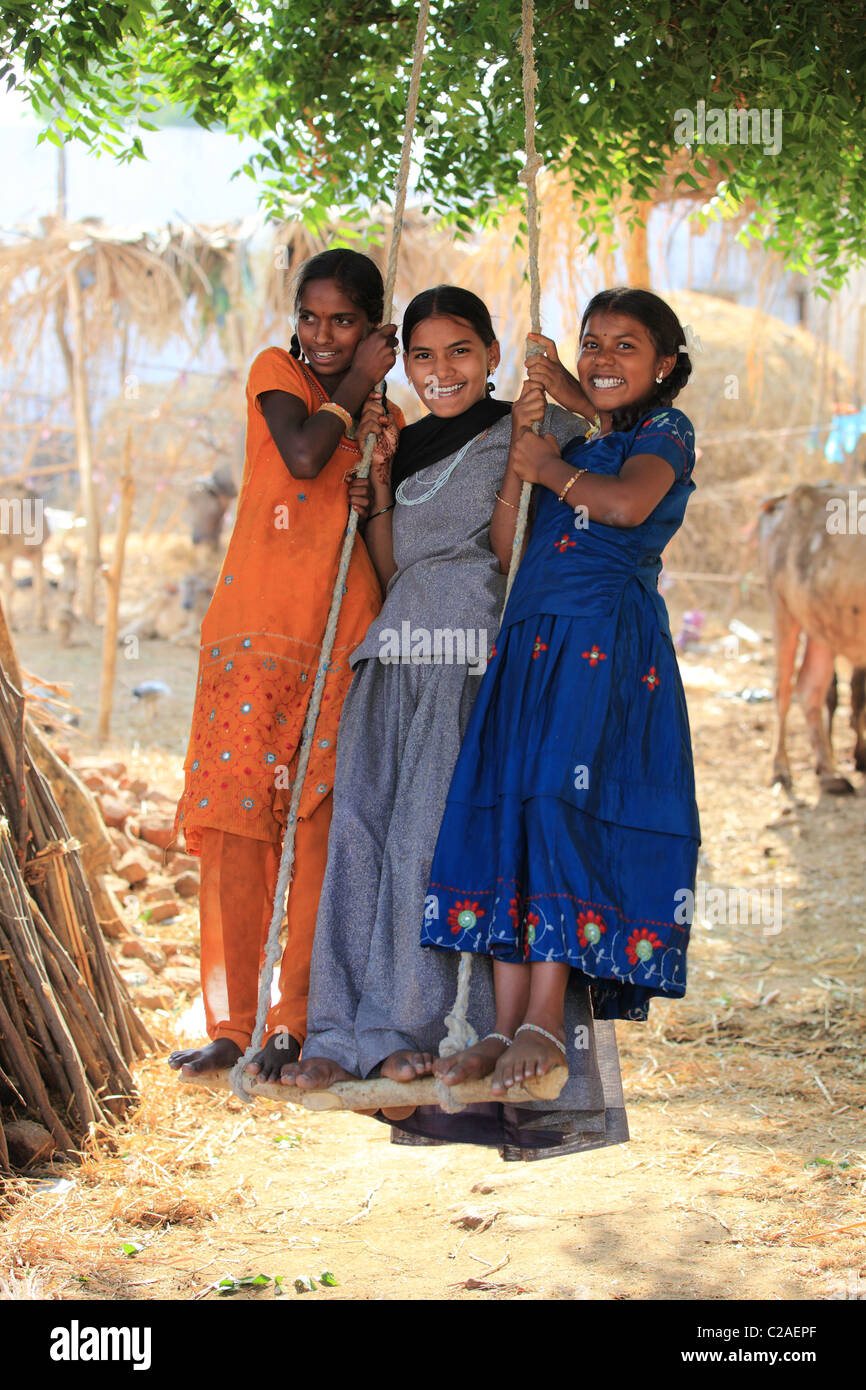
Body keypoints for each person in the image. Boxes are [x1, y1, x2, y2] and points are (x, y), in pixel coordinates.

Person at [284, 286, 629, 1160]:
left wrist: (556, 408)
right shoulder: (395, 443)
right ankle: (340, 1036)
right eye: (425, 356)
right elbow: (396, 567)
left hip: (470, 659)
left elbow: (553, 518)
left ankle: (420, 1032)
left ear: (491, 356)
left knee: (428, 848)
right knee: (361, 837)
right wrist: (376, 494)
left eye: (462, 352)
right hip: (390, 657)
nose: (442, 372)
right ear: (405, 363)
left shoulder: (528, 427)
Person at [423, 287, 700, 1100]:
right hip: (531, 642)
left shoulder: (664, 433)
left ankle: (547, 1017)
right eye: (593, 343)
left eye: (626, 346)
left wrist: (549, 463)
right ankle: (503, 1025)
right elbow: (510, 546)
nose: (604, 357)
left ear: (666, 365)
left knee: (555, 806)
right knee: (511, 808)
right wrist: (534, 435)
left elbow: (623, 503)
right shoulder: (585, 435)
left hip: (603, 648)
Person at [168, 249, 402, 1081]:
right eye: (311, 317)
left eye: (344, 321)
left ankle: (290, 1022)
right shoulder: (281, 377)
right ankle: (228, 1024)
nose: (323, 334)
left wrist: (376, 455)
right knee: (237, 829)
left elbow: (376, 534)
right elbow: (303, 457)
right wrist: (354, 388)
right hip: (254, 632)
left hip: (339, 637)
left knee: (313, 830)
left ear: (376, 326)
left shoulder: (384, 423)